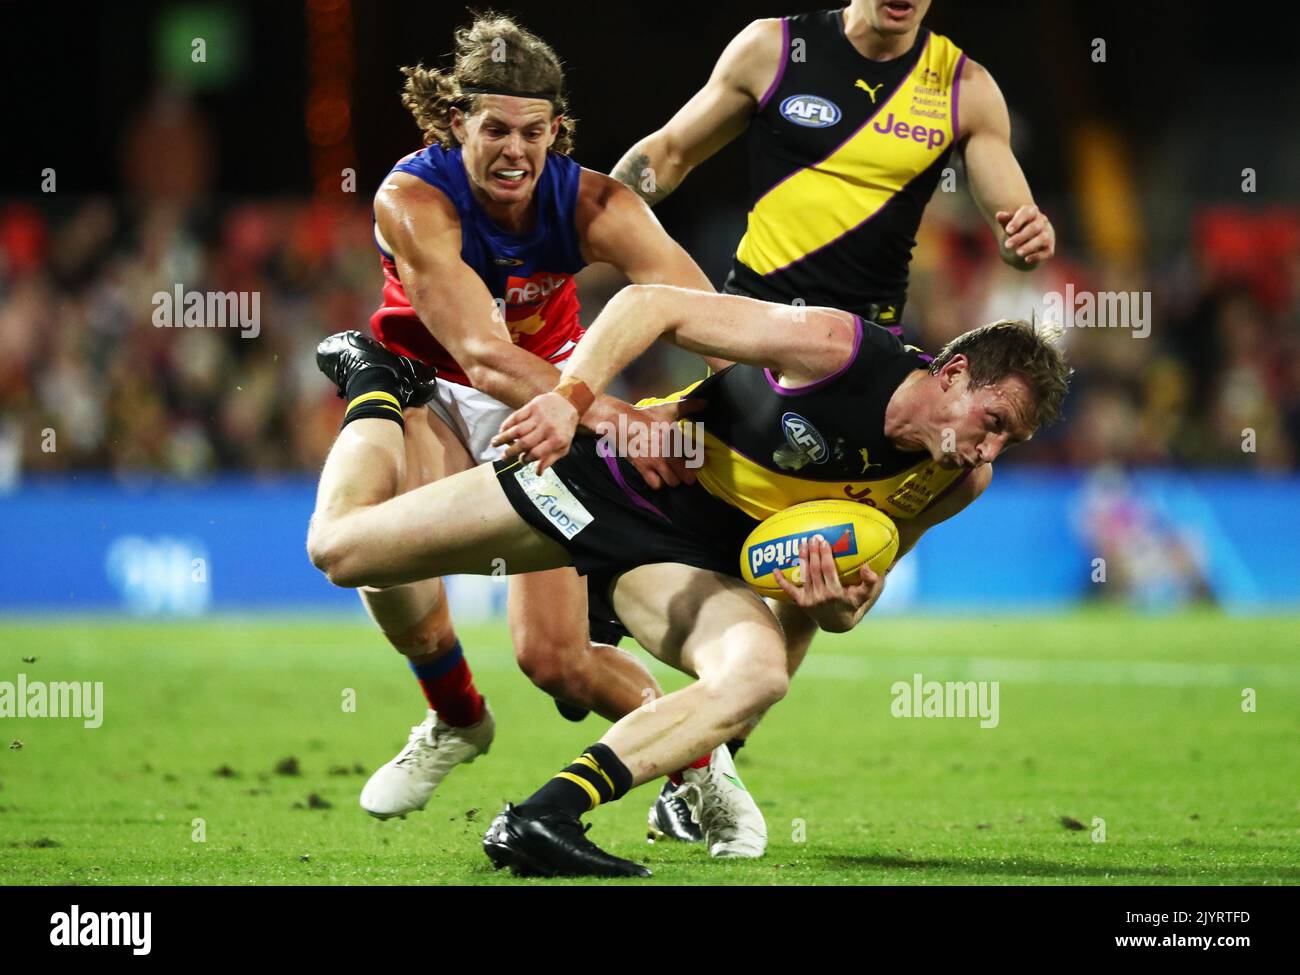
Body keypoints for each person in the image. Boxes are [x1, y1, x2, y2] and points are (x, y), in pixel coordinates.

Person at [307, 282, 1071, 877]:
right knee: (342, 551)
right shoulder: (839, 348)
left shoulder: (953, 484)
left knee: (759, 674)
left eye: (1012, 442)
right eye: (994, 421)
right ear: (957, 372)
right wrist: (573, 404)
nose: (988, 452)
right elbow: (651, 303)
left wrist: (835, 604)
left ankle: (545, 817)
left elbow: (850, 607)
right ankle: (378, 379)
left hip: (688, 558)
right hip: (620, 480)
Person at [319, 12, 758, 854]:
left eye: (532, 130)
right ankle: (455, 715)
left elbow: (706, 318)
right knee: (368, 542)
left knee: (557, 659)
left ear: (557, 130)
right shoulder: (412, 199)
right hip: (435, 387)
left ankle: (702, 767)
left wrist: (755, 394)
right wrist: (614, 416)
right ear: (456, 125)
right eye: (492, 129)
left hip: (550, 405)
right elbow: (481, 355)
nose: (513, 151)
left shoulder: (595, 202)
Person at [608, 0, 1056, 789]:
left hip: (859, 359)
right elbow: (669, 155)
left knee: (826, 555)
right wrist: (586, 220)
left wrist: (1025, 235)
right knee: (671, 465)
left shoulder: (963, 87)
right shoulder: (770, 49)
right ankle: (640, 674)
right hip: (748, 331)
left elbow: (1009, 206)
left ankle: (716, 752)